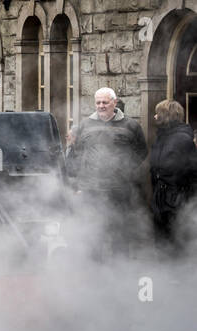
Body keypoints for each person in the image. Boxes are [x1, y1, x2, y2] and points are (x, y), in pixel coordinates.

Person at [65, 87, 148, 253]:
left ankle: (119, 262)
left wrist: (126, 169)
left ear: (114, 102)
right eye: (98, 102)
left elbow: (142, 151)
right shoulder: (85, 125)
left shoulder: (131, 125)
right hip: (91, 188)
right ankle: (95, 265)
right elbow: (78, 153)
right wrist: (78, 182)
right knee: (94, 228)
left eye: (105, 102)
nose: (101, 106)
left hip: (119, 188)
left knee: (119, 228)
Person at [149, 99, 197, 242]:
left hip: (175, 200)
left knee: (174, 239)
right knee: (161, 239)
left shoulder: (182, 139)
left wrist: (178, 199)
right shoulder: (162, 136)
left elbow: (191, 172)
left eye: (158, 113)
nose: (155, 116)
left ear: (166, 115)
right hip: (161, 197)